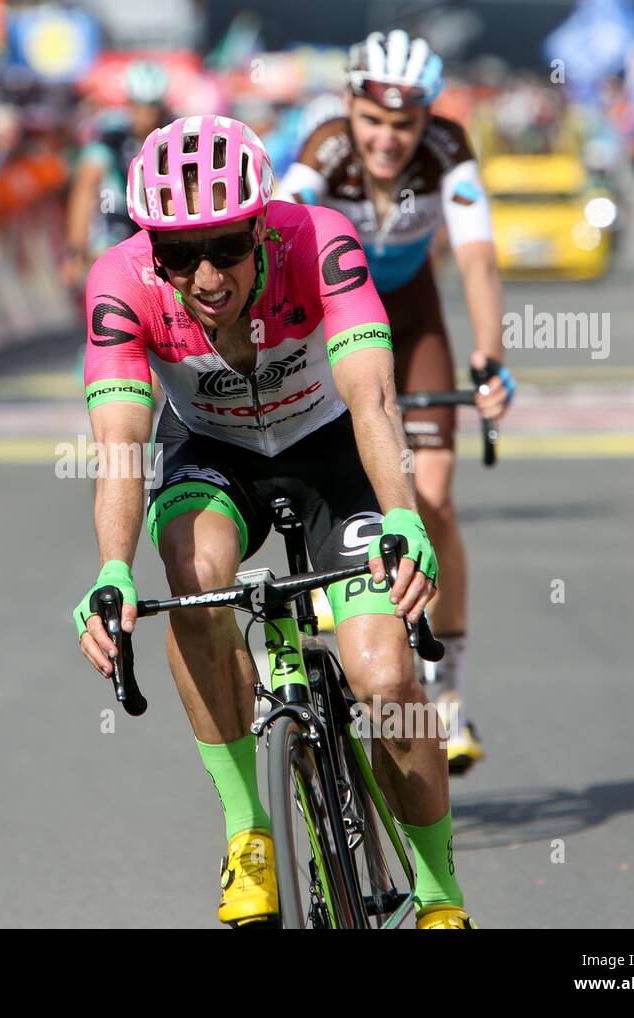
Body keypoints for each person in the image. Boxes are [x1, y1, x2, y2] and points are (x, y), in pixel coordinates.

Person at [73, 114, 475, 929]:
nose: (206, 275)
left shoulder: (319, 239)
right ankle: (248, 829)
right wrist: (113, 569)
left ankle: (439, 894)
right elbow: (120, 444)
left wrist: (404, 516)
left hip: (332, 447)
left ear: (262, 227)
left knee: (386, 677)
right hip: (212, 453)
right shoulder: (119, 281)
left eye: (225, 246)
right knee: (192, 579)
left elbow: (372, 397)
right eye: (178, 253)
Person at [276, 30, 514, 773]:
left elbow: (476, 254)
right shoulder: (324, 150)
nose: (386, 140)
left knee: (433, 502)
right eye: (373, 121)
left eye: (403, 125)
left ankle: (448, 690)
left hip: (410, 320)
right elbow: (280, 234)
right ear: (350, 106)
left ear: (424, 119)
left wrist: (490, 356)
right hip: (332, 323)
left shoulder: (447, 148)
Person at [62, 60, 171, 288]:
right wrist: (75, 250)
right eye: (139, 106)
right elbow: (85, 186)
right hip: (118, 214)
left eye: (153, 106)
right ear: (129, 103)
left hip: (160, 216)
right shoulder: (110, 133)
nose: (146, 114)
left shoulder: (173, 130)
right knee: (108, 264)